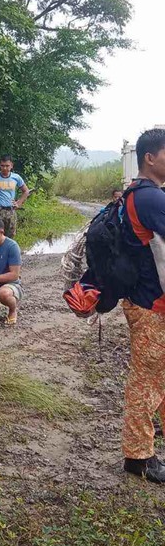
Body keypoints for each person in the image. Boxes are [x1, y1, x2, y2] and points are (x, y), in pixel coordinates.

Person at [114, 128, 165, 483]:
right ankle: (138, 457)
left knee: (157, 375)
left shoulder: (139, 193)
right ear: (150, 157)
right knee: (145, 379)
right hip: (151, 304)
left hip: (145, 300)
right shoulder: (149, 198)